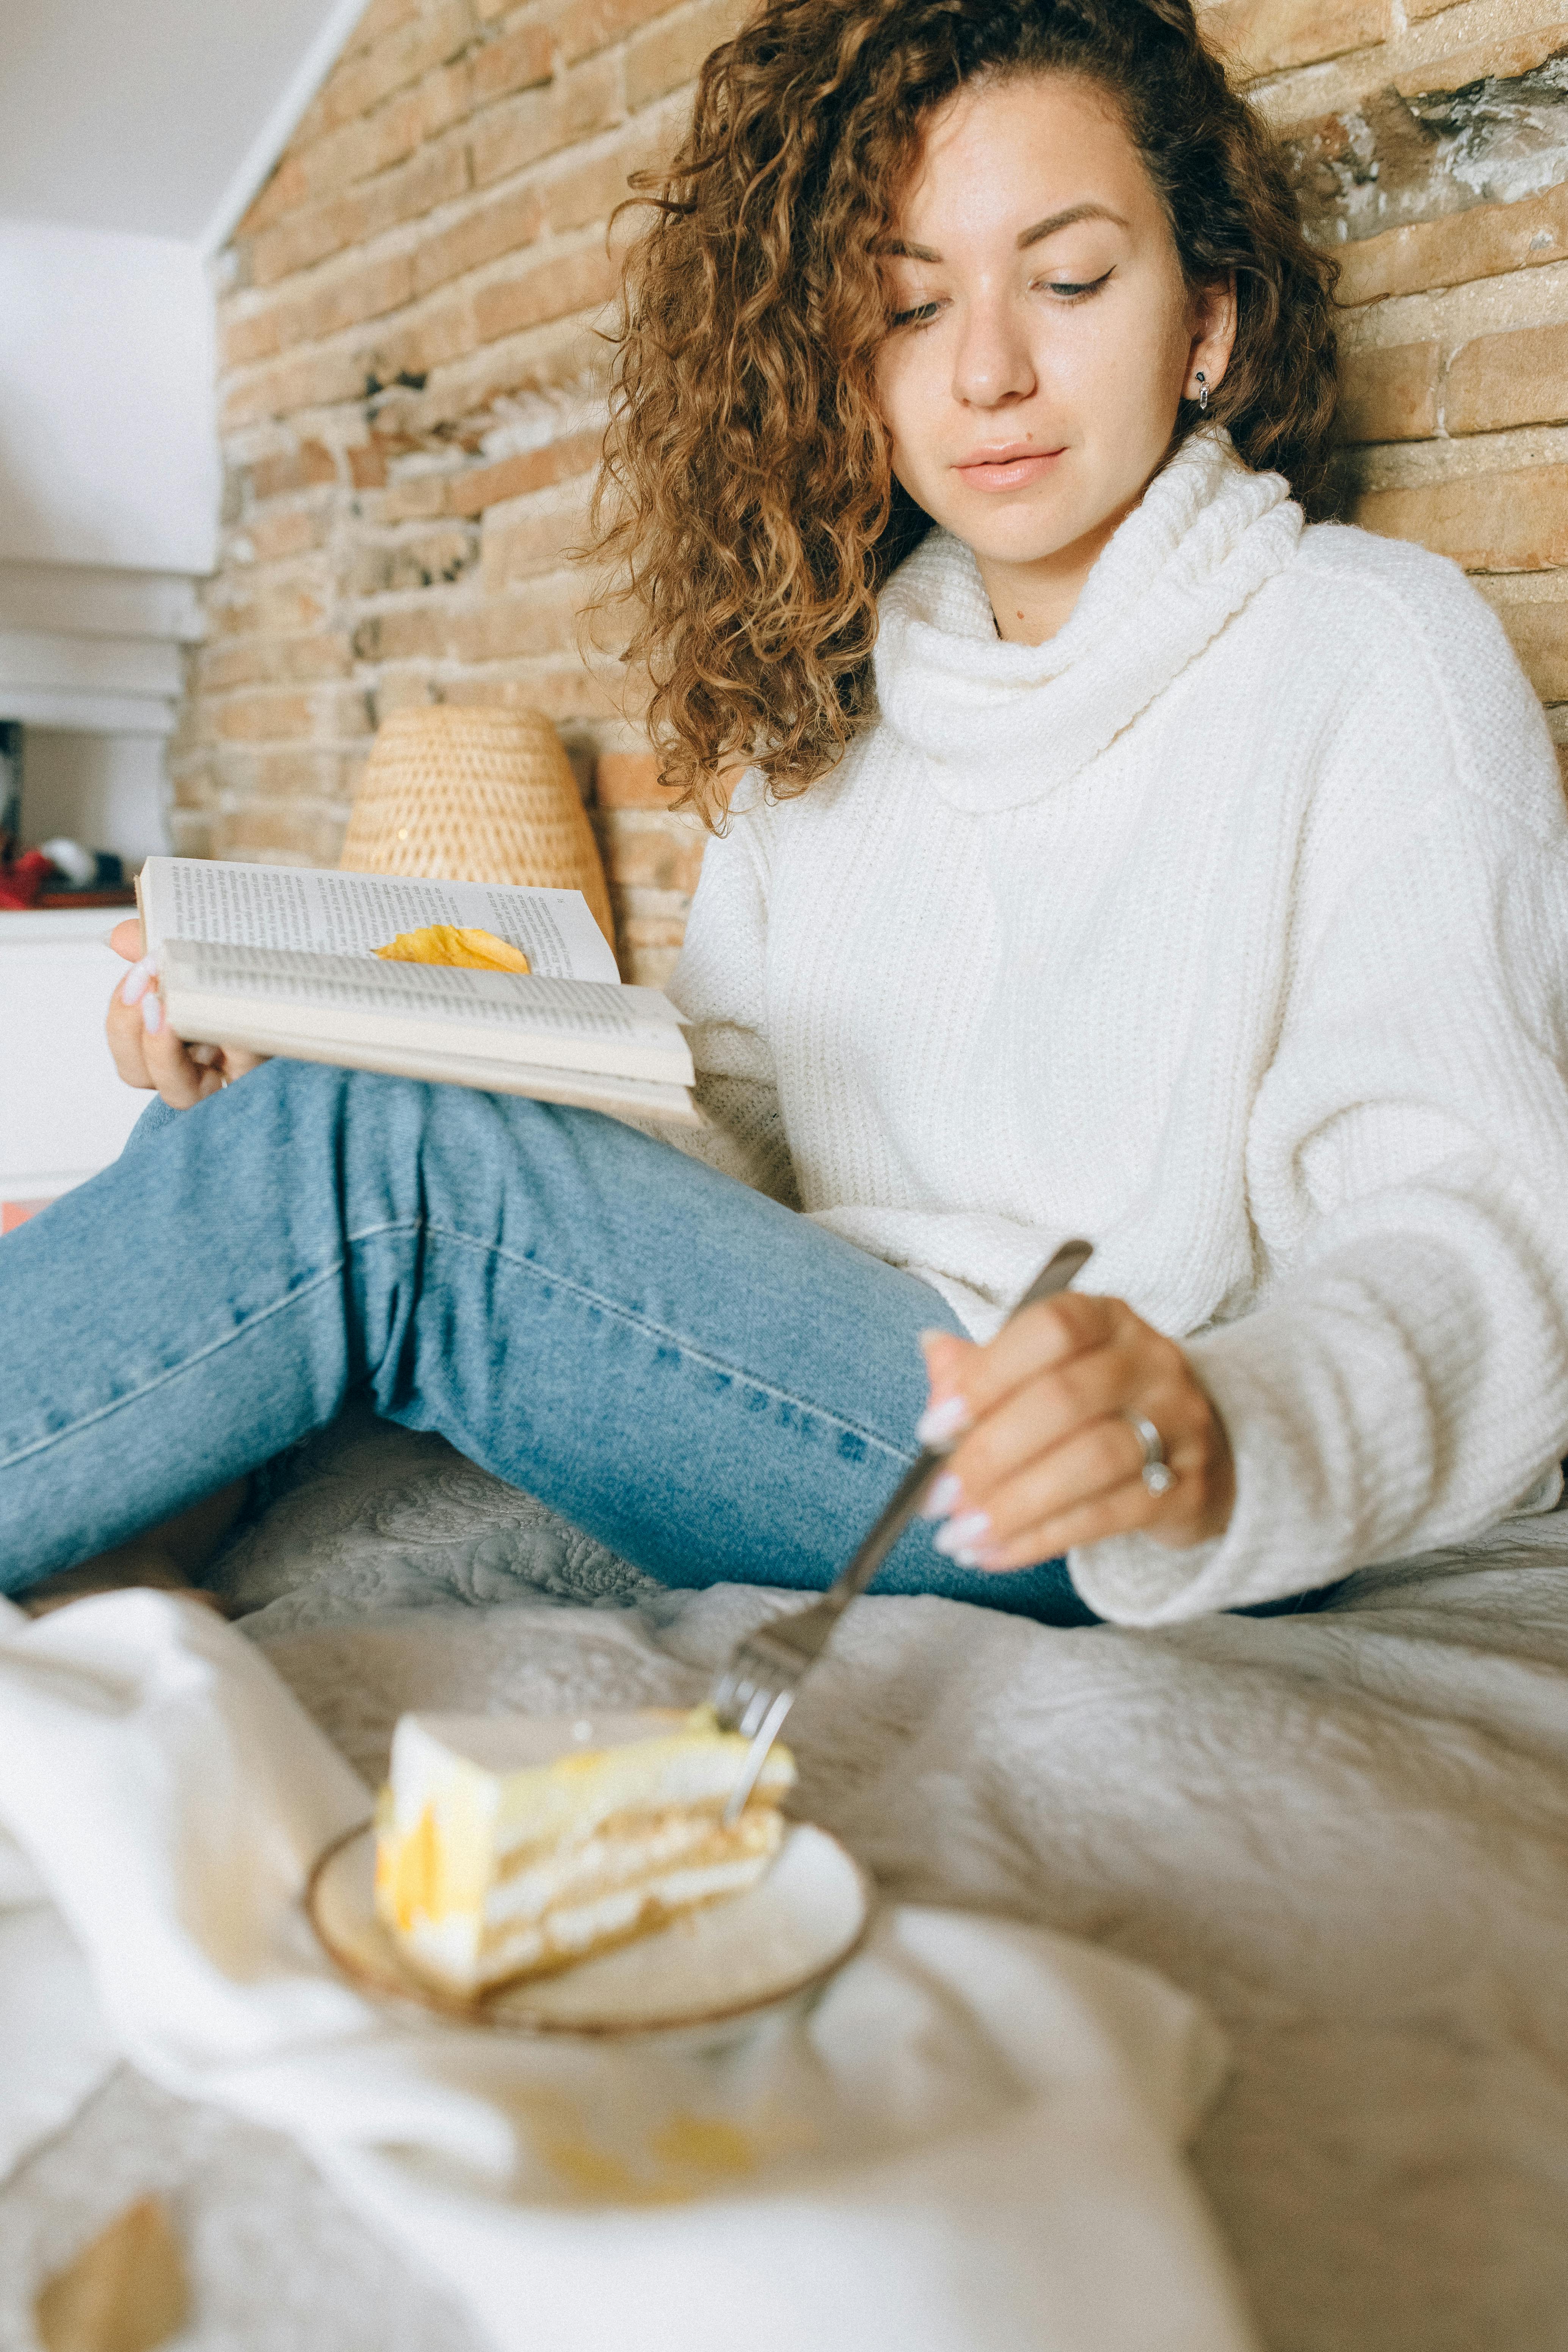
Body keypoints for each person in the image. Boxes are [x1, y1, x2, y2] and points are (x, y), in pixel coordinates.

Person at [5, 0, 1567, 1627]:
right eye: (907, 307)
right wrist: (330, 1031)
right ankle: (114, 1555)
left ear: (1208, 327)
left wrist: (1228, 1423)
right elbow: (722, 1146)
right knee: (284, 1110)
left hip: (1092, 1475)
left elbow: (1476, 1228)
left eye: (1070, 280)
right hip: (796, 1380)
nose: (988, 370)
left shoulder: (1368, 649)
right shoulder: (836, 718)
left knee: (375, 1163)